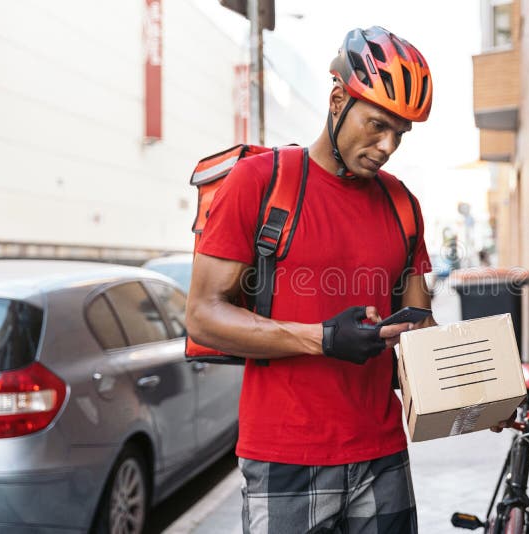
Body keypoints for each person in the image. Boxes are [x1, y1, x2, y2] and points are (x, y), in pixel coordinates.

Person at [187, 26, 435, 534]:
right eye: (377, 124)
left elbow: (421, 326)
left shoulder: (403, 205)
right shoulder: (260, 182)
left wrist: (476, 392)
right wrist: (322, 340)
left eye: (400, 134)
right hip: (287, 457)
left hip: (383, 453)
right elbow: (202, 315)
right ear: (338, 99)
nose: (387, 145)